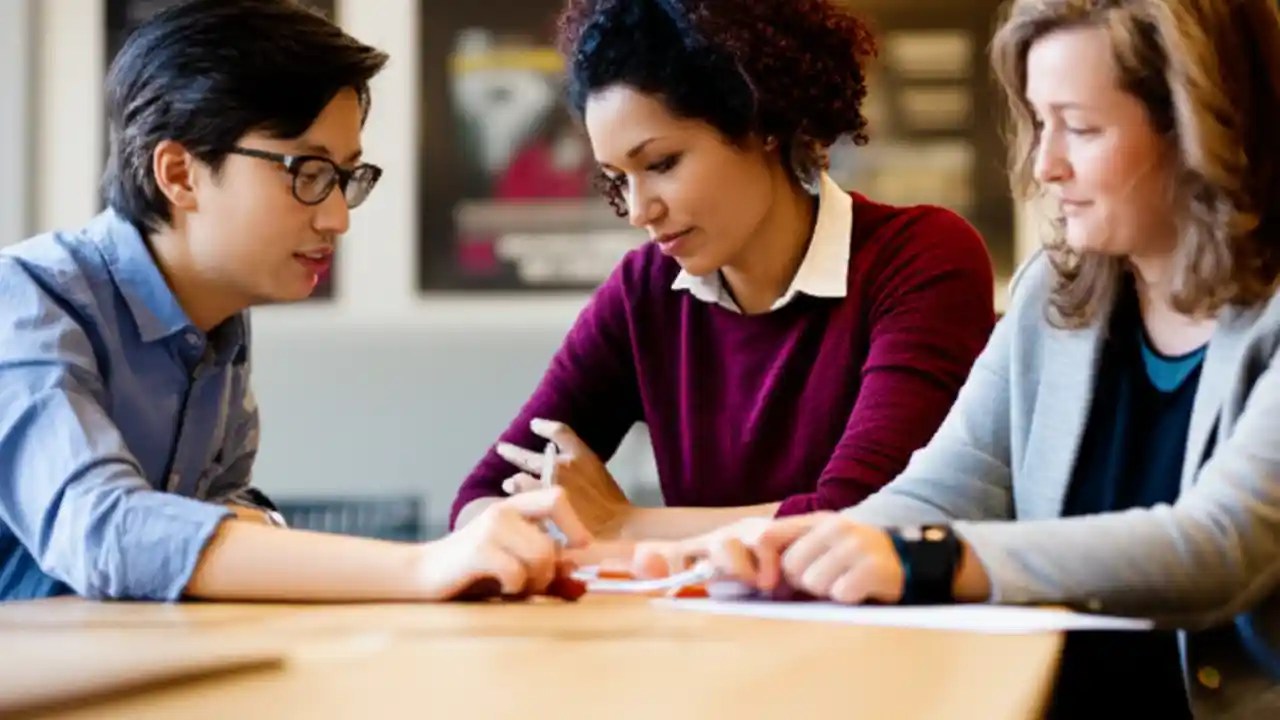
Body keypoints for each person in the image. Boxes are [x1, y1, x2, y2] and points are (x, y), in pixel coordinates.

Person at [638, 0, 1280, 716]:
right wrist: (798, 547)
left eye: (1082, 128)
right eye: (1041, 124)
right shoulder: (1055, 292)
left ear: (1201, 131)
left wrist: (935, 559)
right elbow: (944, 491)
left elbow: (1220, 546)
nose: (1047, 165)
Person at [0, 0, 586, 603]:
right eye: (307, 171)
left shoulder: (219, 323)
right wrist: (423, 566)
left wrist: (257, 524)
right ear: (179, 173)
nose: (336, 218)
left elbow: (224, 508)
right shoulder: (22, 302)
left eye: (343, 178)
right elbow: (103, 532)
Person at [450, 0, 996, 545]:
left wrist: (625, 523)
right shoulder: (646, 291)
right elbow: (481, 497)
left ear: (761, 121)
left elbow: (866, 518)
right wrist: (510, 529)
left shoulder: (923, 258)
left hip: (887, 629)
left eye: (662, 164)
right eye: (618, 178)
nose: (639, 211)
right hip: (712, 627)